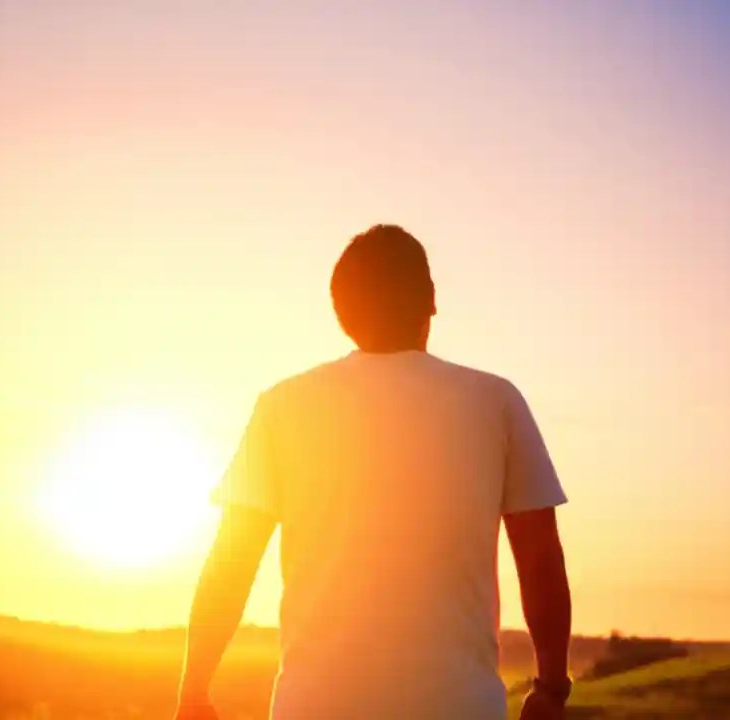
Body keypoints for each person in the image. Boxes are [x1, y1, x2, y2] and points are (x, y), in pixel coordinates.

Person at [174, 225, 572, 720]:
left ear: (340, 312)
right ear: (430, 300)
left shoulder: (282, 406)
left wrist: (194, 691)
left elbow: (231, 560)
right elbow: (539, 559)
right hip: (456, 707)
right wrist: (552, 686)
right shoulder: (496, 401)